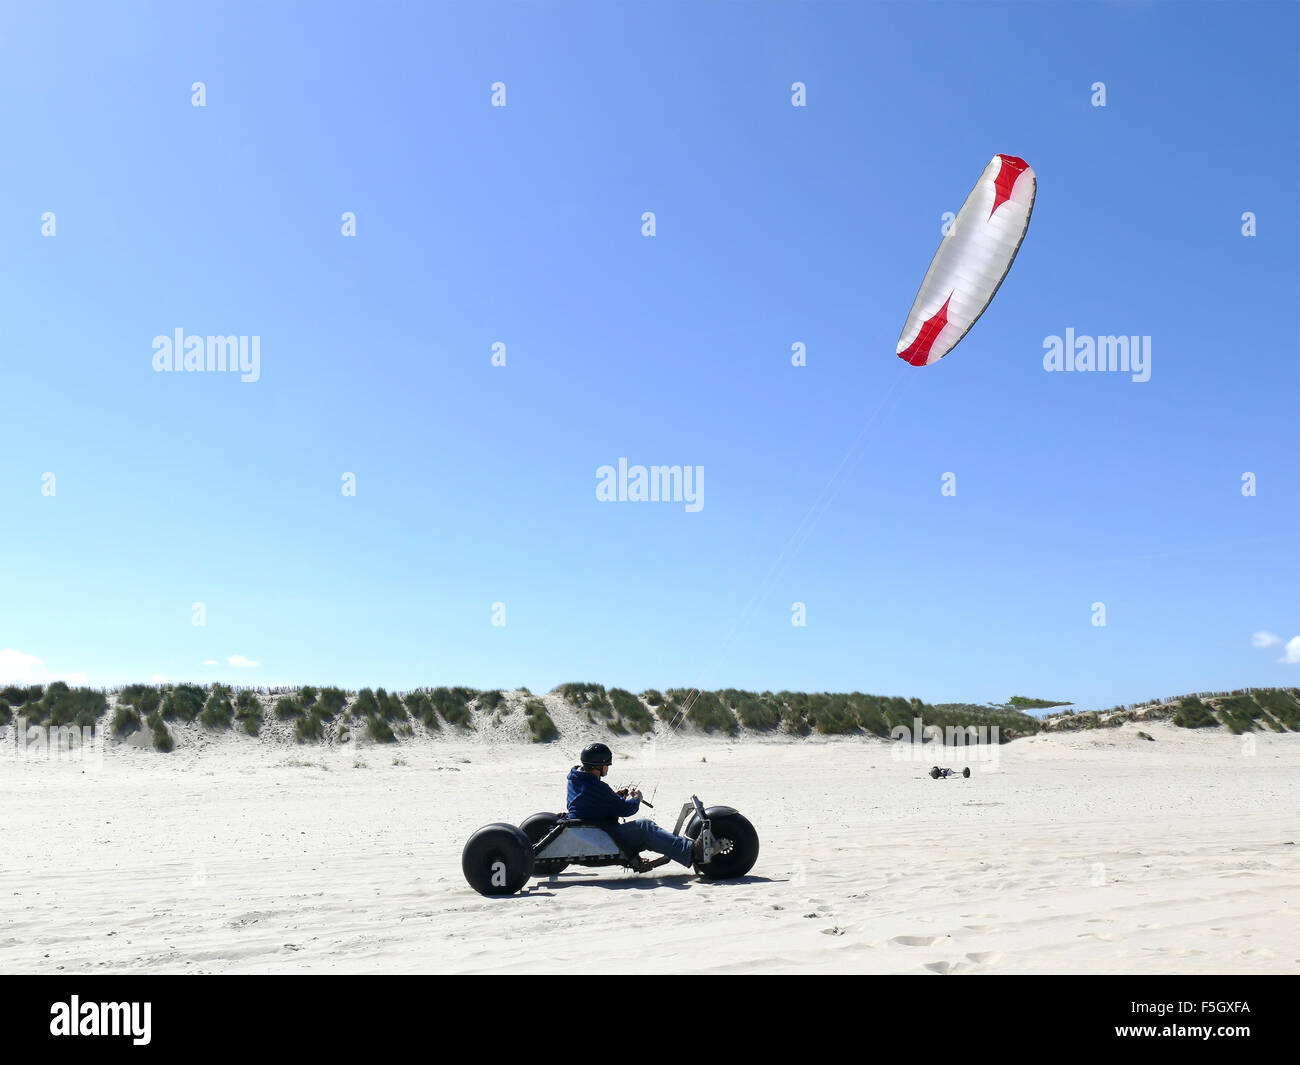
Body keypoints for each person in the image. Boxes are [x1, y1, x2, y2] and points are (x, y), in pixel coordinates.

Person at [566, 743, 700, 867]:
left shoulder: (576, 779)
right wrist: (636, 798)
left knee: (643, 827)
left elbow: (597, 803)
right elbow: (626, 809)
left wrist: (617, 796)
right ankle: (690, 852)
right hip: (600, 835)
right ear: (598, 766)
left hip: (587, 828)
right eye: (606, 764)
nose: (608, 767)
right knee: (645, 827)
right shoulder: (596, 787)